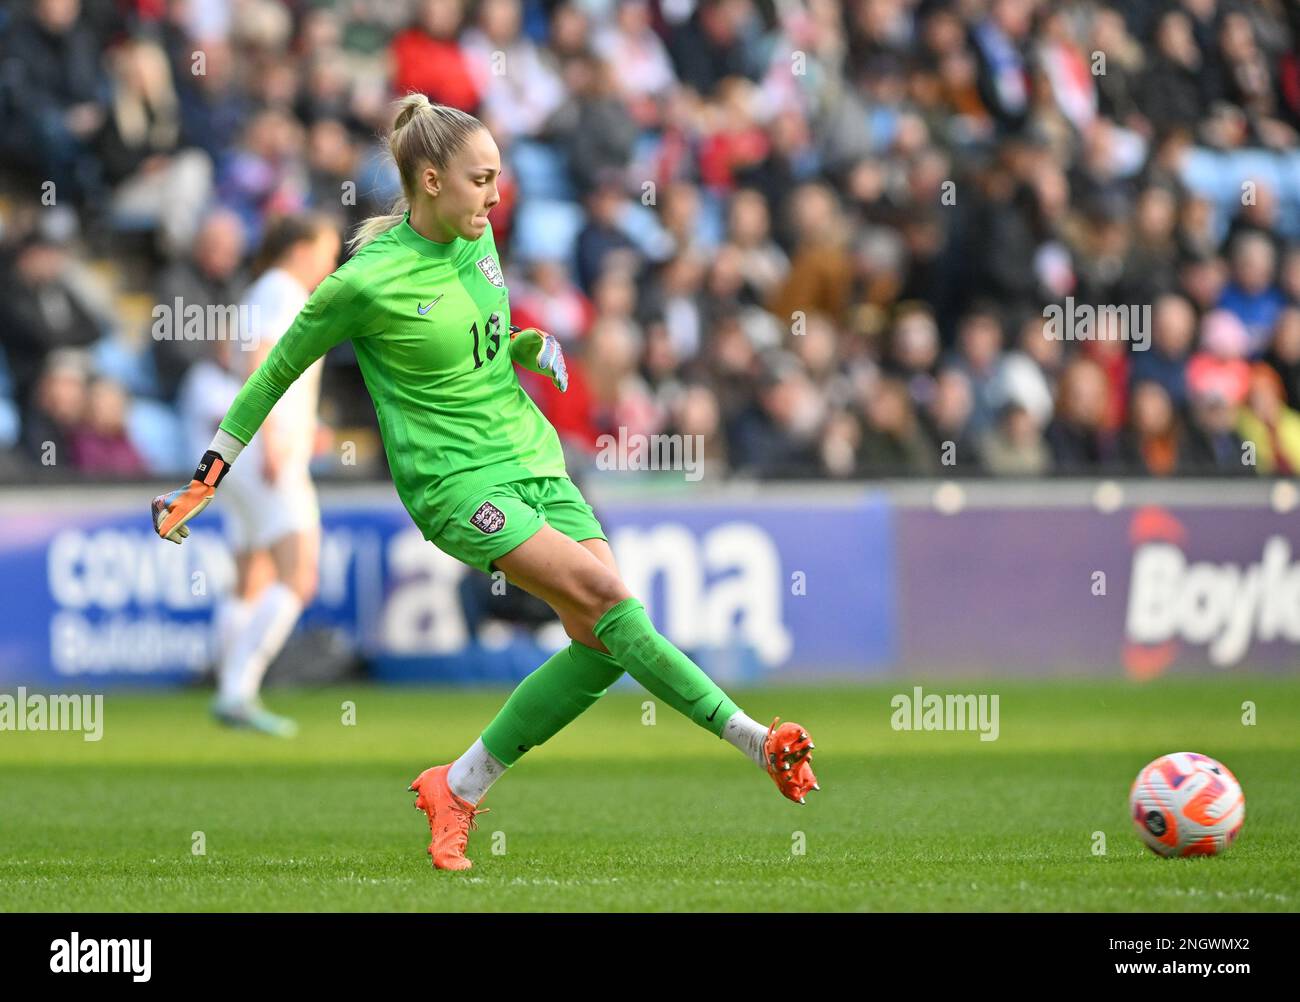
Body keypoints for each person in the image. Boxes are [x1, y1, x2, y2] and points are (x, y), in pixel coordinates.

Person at [151, 95, 818, 871]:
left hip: (535, 461)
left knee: (600, 647)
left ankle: (458, 785)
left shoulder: (479, 239)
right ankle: (754, 739)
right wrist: (207, 476)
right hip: (458, 486)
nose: (497, 195)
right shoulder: (362, 283)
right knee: (612, 605)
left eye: (498, 178)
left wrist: (527, 347)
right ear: (430, 179)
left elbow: (481, 344)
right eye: (482, 179)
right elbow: (272, 376)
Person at [199, 213, 341, 736]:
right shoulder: (282, 289)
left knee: (251, 578)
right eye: (326, 249)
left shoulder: (261, 290)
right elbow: (260, 364)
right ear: (301, 247)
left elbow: (250, 361)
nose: (330, 263)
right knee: (298, 576)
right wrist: (279, 438)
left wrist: (305, 425)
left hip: (240, 452)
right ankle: (239, 690)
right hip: (265, 452)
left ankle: (228, 688)